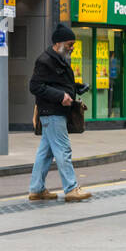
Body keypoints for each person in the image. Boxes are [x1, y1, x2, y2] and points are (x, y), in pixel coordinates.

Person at [27, 23, 92, 203]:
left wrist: (77, 88)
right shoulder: (44, 60)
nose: (72, 48)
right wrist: (60, 96)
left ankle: (36, 189)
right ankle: (71, 188)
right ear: (58, 43)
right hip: (52, 112)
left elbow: (57, 83)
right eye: (70, 44)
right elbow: (35, 86)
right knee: (63, 149)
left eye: (73, 45)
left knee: (46, 153)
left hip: (55, 112)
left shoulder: (58, 59)